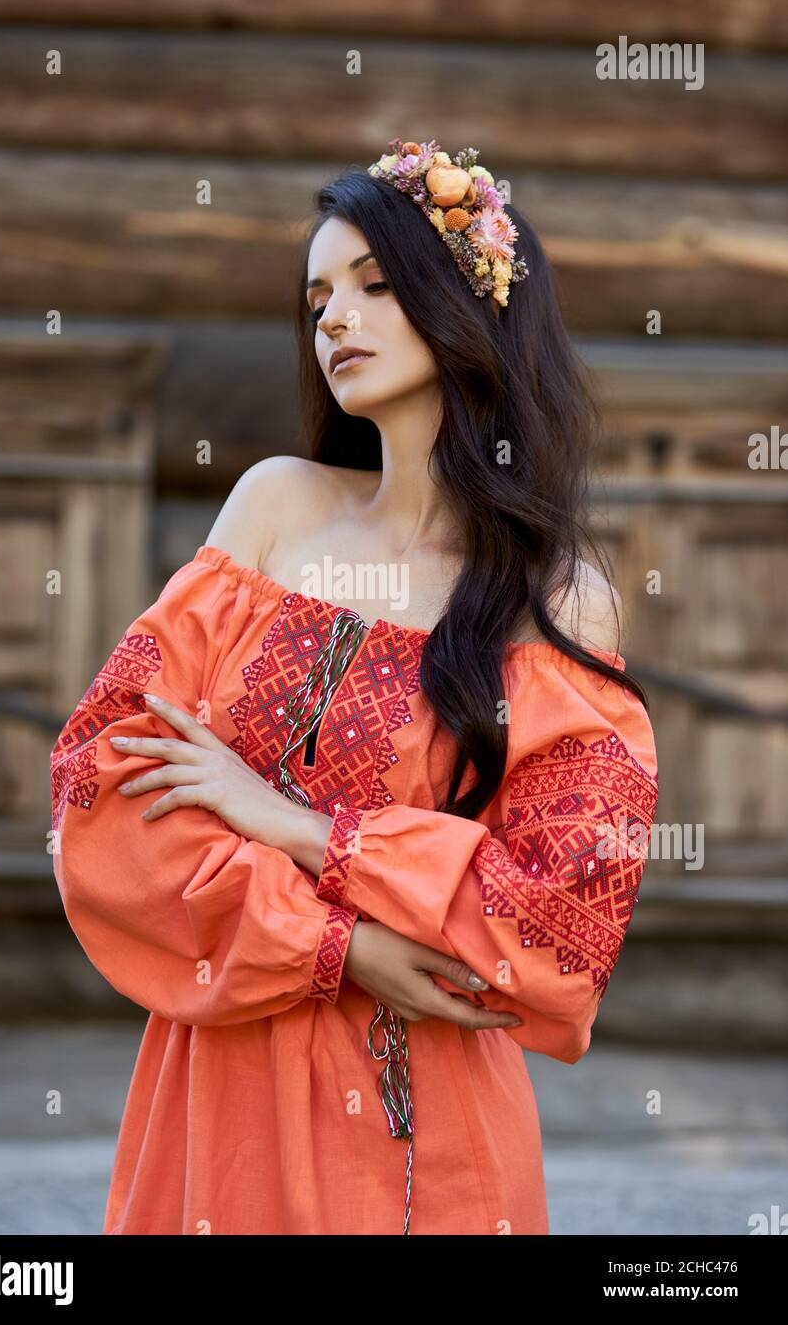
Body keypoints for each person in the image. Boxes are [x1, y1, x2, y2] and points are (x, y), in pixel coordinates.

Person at [50, 138, 658, 1236]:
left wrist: (287, 822)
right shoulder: (272, 509)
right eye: (318, 295)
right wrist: (342, 947)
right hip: (220, 1083)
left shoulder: (554, 601)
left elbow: (560, 923)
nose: (334, 317)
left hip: (430, 1113)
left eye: (374, 287)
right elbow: (101, 783)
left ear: (466, 305)